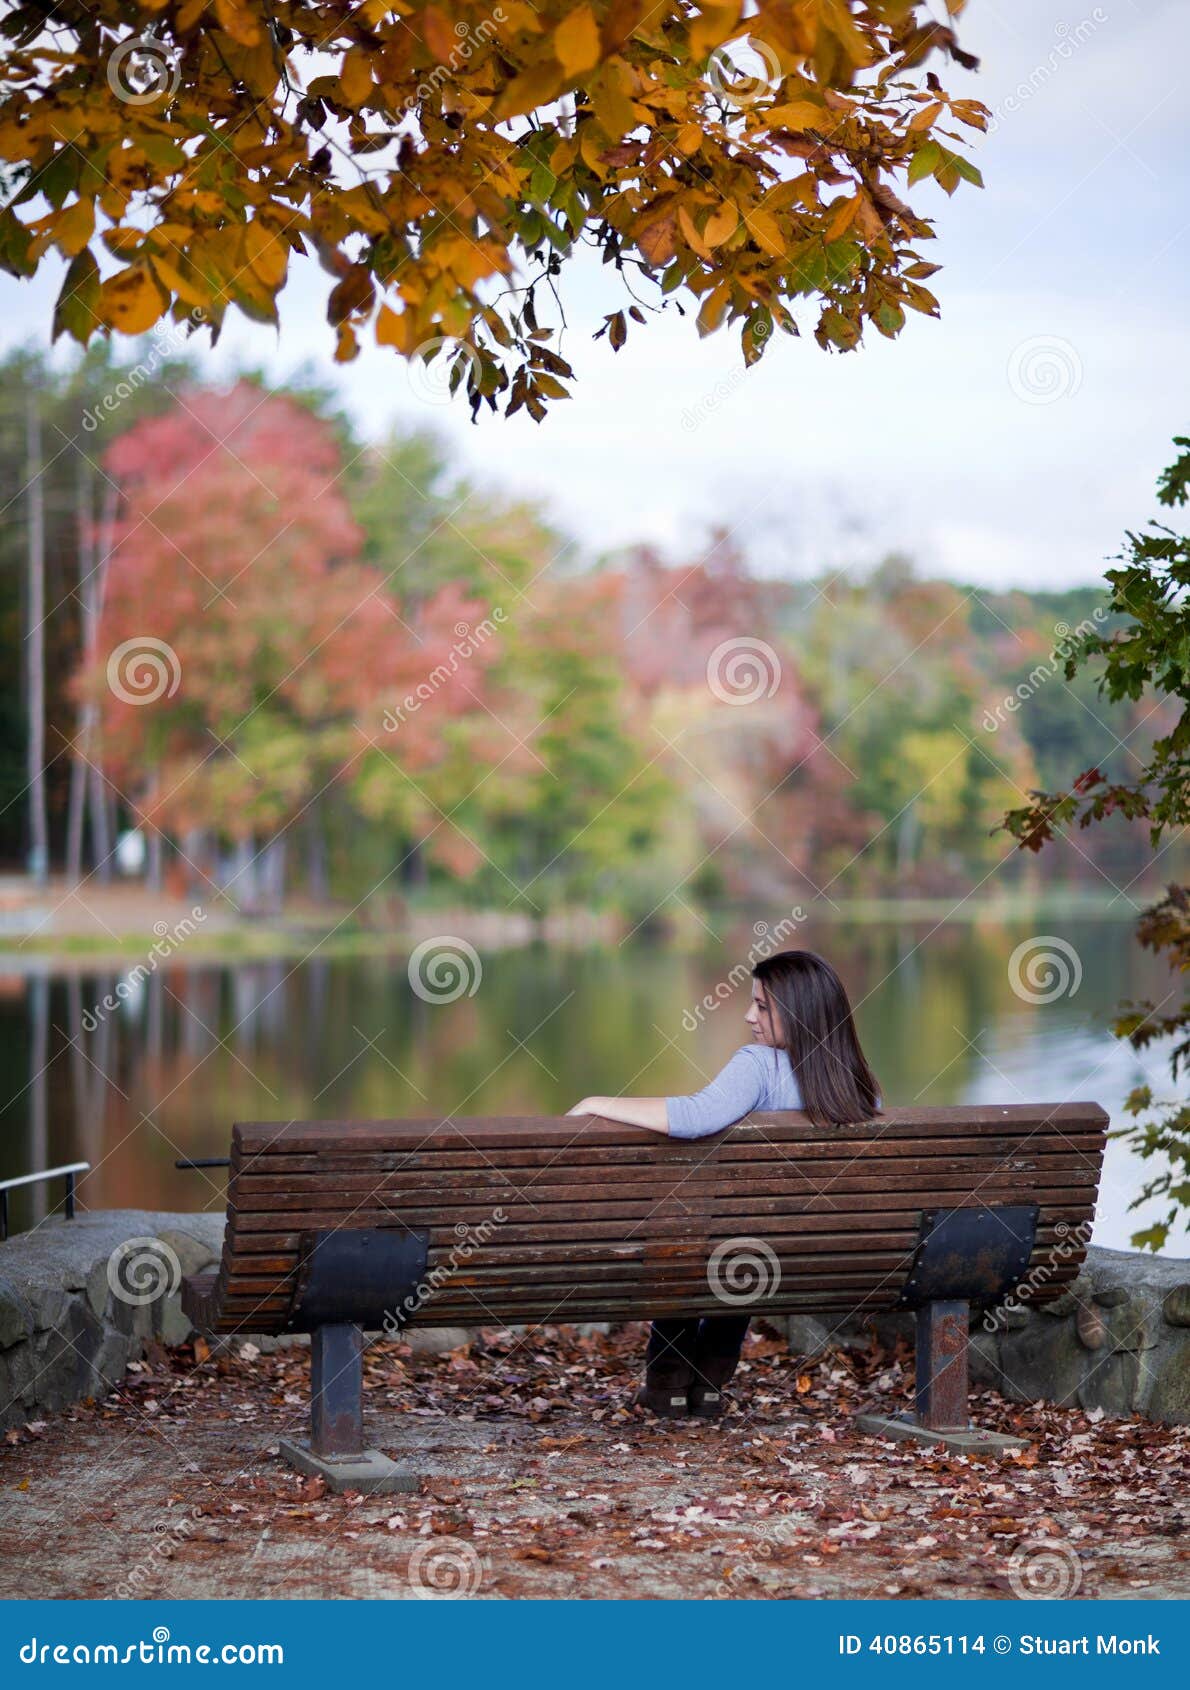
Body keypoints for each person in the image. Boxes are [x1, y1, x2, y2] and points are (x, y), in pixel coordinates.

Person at [567, 948, 881, 1419]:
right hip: (813, 1256)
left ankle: (669, 1382)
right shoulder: (858, 1085)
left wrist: (597, 1102)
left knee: (682, 1239)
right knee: (740, 1239)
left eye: (762, 1006)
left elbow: (696, 1117)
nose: (748, 1016)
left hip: (733, 1250)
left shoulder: (760, 1066)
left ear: (799, 1012)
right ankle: (710, 1380)